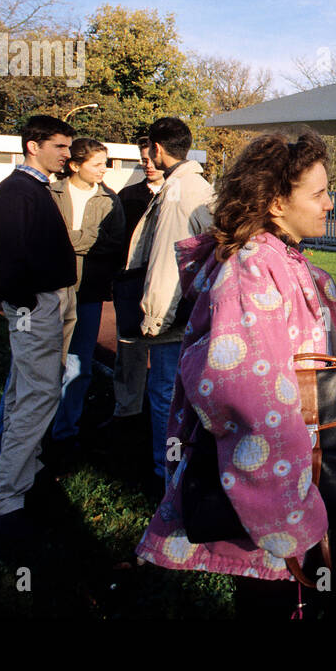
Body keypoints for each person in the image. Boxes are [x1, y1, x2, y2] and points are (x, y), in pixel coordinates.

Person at [135, 131, 336, 619]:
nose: (330, 203)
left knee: (279, 595)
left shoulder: (278, 258)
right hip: (274, 492)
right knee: (270, 600)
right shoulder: (253, 268)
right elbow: (248, 396)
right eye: (318, 193)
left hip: (294, 475)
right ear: (275, 203)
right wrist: (287, 511)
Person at [0, 138, 125, 466]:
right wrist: (80, 242)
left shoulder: (110, 201)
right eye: (97, 164)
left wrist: (63, 242)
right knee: (27, 370)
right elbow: (31, 240)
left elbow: (112, 244)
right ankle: (3, 444)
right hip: (45, 295)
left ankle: (64, 433)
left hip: (87, 295)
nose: (104, 170)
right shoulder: (48, 193)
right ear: (76, 166)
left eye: (106, 163)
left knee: (78, 367)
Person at [0, 115, 76, 534]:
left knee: (26, 391)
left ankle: (23, 468)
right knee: (38, 396)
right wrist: (22, 302)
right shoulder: (15, 191)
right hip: (33, 306)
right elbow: (5, 252)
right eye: (60, 146)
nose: (67, 154)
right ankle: (7, 497)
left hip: (40, 302)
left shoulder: (33, 189)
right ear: (33, 145)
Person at [125, 117, 214, 483]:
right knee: (179, 395)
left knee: (166, 397)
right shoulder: (193, 185)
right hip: (189, 309)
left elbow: (167, 260)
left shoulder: (179, 191)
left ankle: (170, 477)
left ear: (156, 149)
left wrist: (155, 315)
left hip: (176, 315)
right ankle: (178, 472)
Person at [103, 137, 164, 428]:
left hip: (166, 287)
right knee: (129, 351)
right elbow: (115, 242)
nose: (147, 164)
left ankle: (167, 417)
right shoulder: (126, 197)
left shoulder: (181, 195)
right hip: (131, 285)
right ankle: (127, 413)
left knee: (167, 354)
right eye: (143, 159)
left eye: (151, 158)